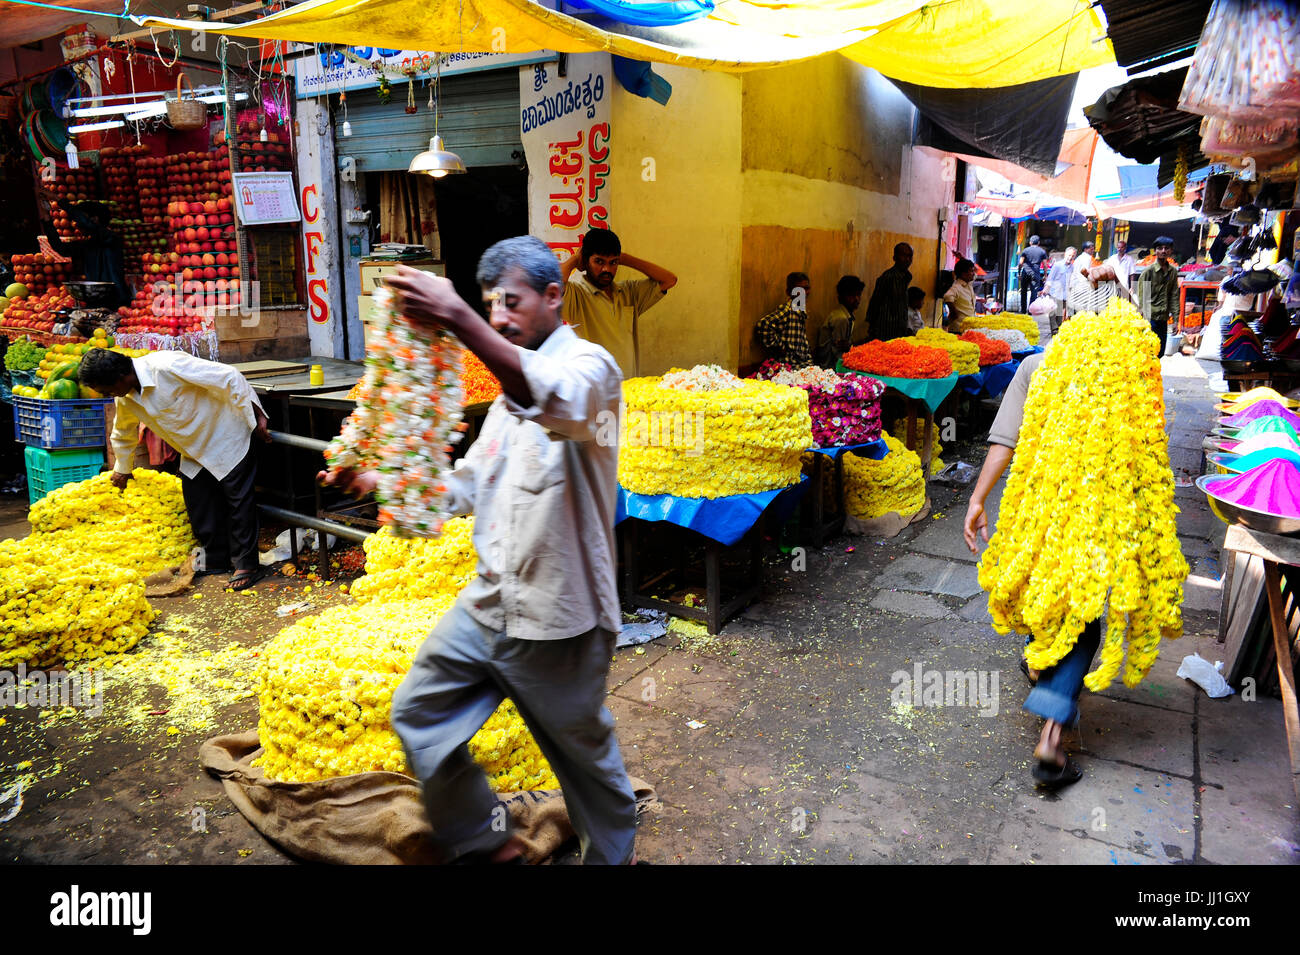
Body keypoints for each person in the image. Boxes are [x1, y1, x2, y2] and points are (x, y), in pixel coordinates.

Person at [325, 236, 638, 865]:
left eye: (512, 302)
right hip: (489, 605)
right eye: (490, 304)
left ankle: (611, 856)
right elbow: (469, 482)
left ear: (555, 296)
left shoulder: (591, 370)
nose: (499, 317)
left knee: (585, 767)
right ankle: (483, 841)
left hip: (559, 618)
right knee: (420, 713)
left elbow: (552, 400)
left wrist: (458, 316)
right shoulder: (502, 397)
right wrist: (376, 481)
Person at [963, 351, 1098, 788]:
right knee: (1083, 618)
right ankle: (1051, 740)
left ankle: (1041, 665)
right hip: (1096, 512)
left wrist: (977, 499)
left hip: (1035, 509)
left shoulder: (1036, 365)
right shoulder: (1128, 366)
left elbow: (1005, 439)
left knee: (1039, 591)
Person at [78, 348, 272, 590]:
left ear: (120, 375)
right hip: (193, 448)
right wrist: (122, 469)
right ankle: (216, 557)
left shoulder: (166, 366)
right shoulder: (125, 396)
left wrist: (256, 415)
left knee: (238, 501)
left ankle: (246, 565)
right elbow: (123, 432)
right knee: (199, 502)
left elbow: (229, 376)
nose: (105, 394)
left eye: (105, 388)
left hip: (225, 432)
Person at [561, 228, 676, 378]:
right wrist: (575, 259)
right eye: (599, 261)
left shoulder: (629, 292)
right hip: (592, 393)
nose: (606, 269)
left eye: (613, 262)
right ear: (586, 261)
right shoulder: (576, 295)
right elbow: (553, 282)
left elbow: (669, 280)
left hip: (628, 392)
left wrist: (625, 259)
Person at [43, 200, 130, 307]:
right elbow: (61, 248)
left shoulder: (111, 238)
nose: (76, 224)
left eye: (79, 220)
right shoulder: (87, 244)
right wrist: (47, 221)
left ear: (95, 219)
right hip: (96, 301)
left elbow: (88, 225)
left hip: (117, 300)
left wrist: (60, 201)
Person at [756, 272, 814, 367]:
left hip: (802, 365)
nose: (804, 292)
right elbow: (763, 324)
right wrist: (780, 346)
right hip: (790, 367)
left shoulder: (800, 312)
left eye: (806, 288)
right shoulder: (787, 310)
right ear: (789, 292)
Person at [1136, 235, 1179, 358]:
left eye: (1167, 248)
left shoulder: (1173, 272)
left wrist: (1176, 320)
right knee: (1149, 352)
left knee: (1160, 352)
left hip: (1163, 318)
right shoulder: (1148, 272)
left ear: (1171, 251)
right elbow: (1142, 298)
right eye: (1160, 248)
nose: (1163, 251)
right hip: (1151, 318)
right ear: (1155, 251)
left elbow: (1174, 295)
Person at [864, 242, 914, 341]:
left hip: (900, 330)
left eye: (910, 256)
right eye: (903, 255)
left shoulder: (907, 277)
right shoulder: (887, 277)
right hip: (885, 331)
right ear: (894, 257)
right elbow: (875, 303)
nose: (907, 259)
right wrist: (872, 328)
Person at [814, 275, 865, 368]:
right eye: (852, 295)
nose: (857, 299)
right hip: (830, 367)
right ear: (841, 297)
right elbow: (838, 353)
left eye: (858, 295)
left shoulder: (845, 316)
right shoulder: (841, 318)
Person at [1044, 247, 1076, 334]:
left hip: (1065, 294)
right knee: (1053, 312)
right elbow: (1050, 278)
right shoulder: (1057, 265)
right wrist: (1045, 289)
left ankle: (1057, 329)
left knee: (1059, 314)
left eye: (1073, 256)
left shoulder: (1072, 267)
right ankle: (1054, 329)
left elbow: (1073, 280)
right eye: (1069, 255)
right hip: (1055, 292)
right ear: (1065, 254)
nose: (1070, 257)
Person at [1018, 235, 1049, 314]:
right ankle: (1030, 312)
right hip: (1035, 274)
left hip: (1025, 272)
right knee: (1034, 293)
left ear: (1030, 242)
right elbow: (1045, 265)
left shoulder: (1025, 250)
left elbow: (1020, 263)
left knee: (1023, 292)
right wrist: (1045, 276)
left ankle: (1022, 311)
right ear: (1038, 243)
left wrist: (1019, 273)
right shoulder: (1042, 251)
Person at [943, 259, 977, 327]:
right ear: (963, 274)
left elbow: (975, 273)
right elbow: (947, 296)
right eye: (971, 271)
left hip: (970, 327)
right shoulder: (956, 287)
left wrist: (961, 258)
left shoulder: (969, 283)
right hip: (959, 328)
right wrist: (953, 312)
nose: (974, 273)